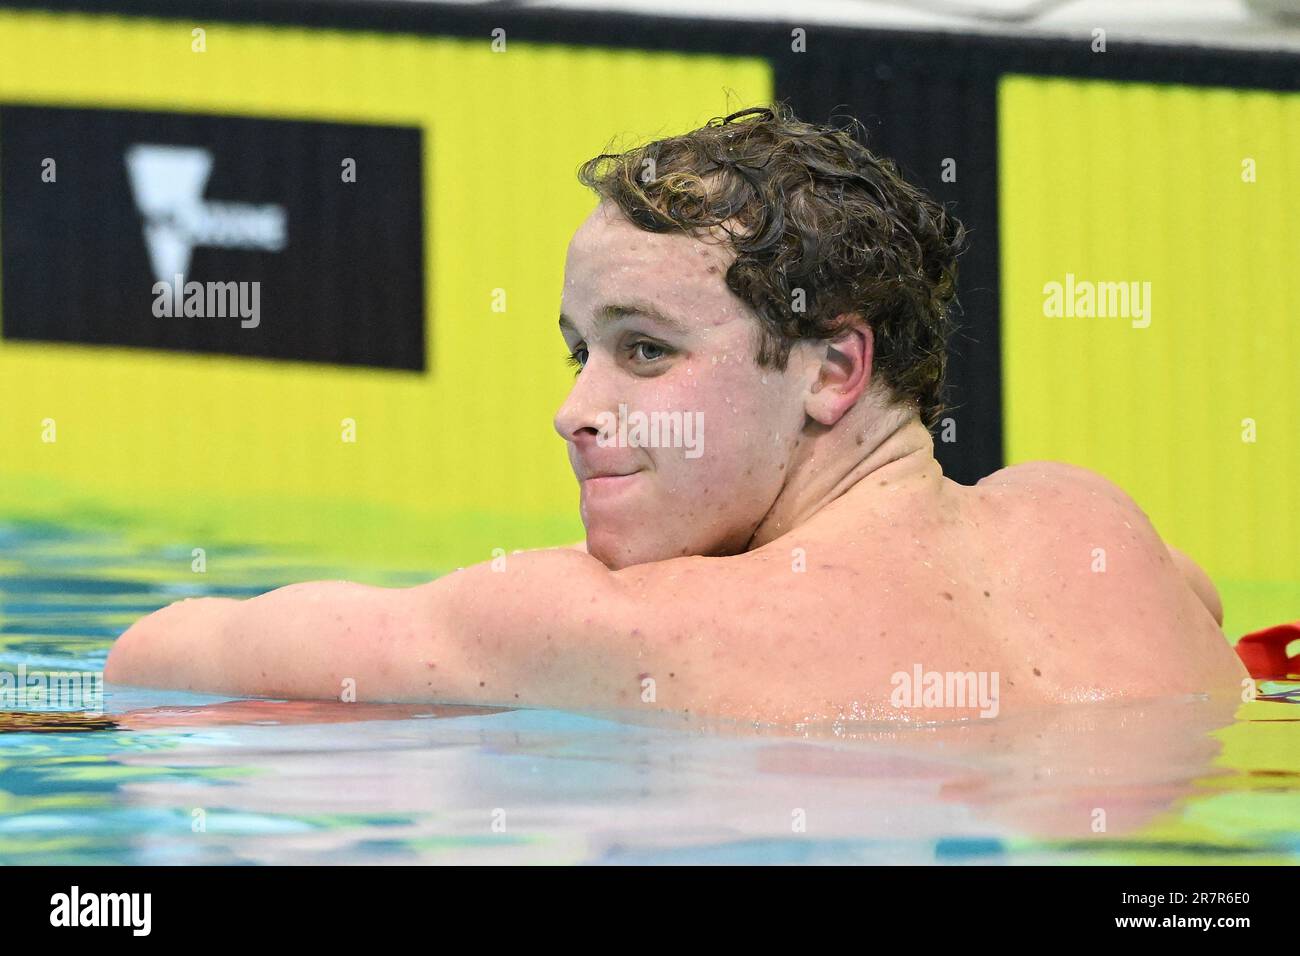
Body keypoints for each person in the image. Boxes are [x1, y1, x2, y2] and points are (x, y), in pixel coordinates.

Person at [104, 105, 1247, 724]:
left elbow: (149, 658)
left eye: (643, 351)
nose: (571, 411)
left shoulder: (635, 627)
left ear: (831, 367)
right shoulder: (1097, 527)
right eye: (578, 352)